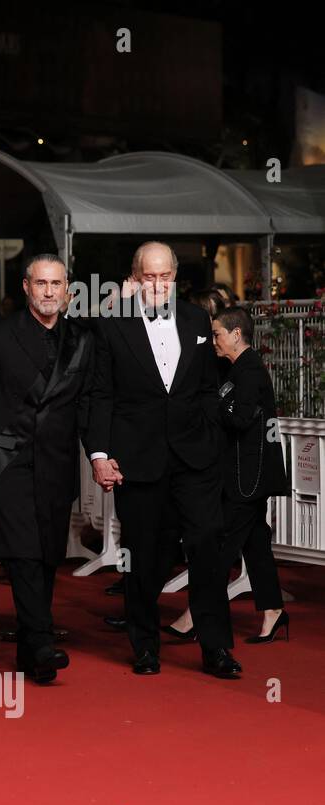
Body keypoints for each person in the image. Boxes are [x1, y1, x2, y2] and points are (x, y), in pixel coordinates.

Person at [87, 241, 240, 679]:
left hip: (195, 459)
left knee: (208, 545)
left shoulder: (196, 319)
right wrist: (100, 454)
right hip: (138, 459)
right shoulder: (112, 326)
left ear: (175, 277)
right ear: (135, 278)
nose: (158, 285)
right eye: (149, 277)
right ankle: (145, 645)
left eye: (165, 276)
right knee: (144, 556)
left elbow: (210, 386)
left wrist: (211, 437)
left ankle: (216, 648)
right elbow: (101, 394)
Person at [0, 255, 93, 684]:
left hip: (58, 461)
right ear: (27, 287)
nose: (49, 291)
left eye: (56, 284)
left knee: (49, 552)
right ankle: (42, 640)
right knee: (23, 551)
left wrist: (102, 454)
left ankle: (29, 652)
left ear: (67, 289)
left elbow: (89, 403)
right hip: (7, 458)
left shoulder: (82, 338)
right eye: (41, 284)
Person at [165, 306, 289, 644]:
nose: (214, 340)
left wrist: (213, 406)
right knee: (256, 544)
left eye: (218, 333)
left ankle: (197, 614)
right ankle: (273, 611)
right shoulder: (236, 369)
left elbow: (238, 419)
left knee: (220, 549)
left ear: (237, 334)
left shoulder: (249, 371)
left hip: (247, 479)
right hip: (244, 475)